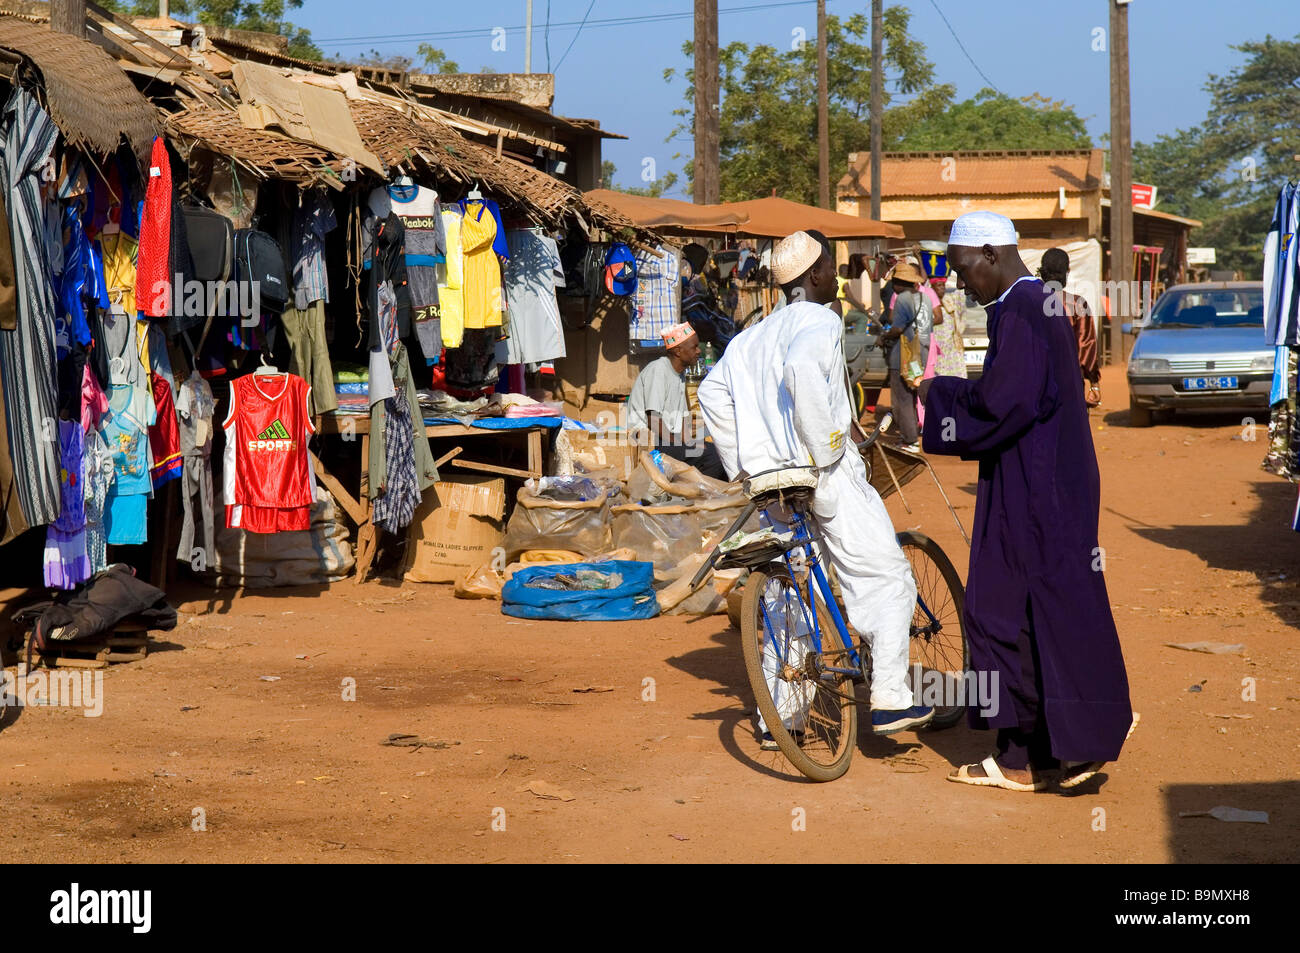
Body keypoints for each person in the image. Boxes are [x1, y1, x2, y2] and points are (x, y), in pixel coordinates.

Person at [920, 211, 1133, 793]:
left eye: (964, 271)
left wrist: (938, 394)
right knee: (1044, 609)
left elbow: (1002, 405)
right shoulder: (1034, 303)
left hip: (1036, 488)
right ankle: (1053, 748)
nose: (962, 284)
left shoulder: (1021, 311)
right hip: (1046, 479)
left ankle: (1030, 755)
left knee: (1000, 611)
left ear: (990, 253)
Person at [699, 230, 933, 744]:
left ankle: (780, 719)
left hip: (771, 484)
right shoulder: (819, 319)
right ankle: (891, 698)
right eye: (830, 267)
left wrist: (745, 463)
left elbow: (710, 392)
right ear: (812, 275)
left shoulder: (748, 338)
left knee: (790, 596)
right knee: (885, 577)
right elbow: (803, 370)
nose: (836, 275)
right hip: (821, 473)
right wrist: (828, 446)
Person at [626, 322, 726, 479]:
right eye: (694, 347)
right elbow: (654, 420)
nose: (698, 351)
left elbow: (683, 421)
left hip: (666, 439)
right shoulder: (658, 370)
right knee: (712, 457)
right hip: (648, 441)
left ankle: (699, 491)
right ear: (678, 351)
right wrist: (683, 444)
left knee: (718, 450)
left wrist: (691, 441)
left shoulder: (679, 375)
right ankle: (700, 497)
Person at [1039, 247, 1101, 407]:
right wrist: (1094, 382)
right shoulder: (1076, 304)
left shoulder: (1029, 302)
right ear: (1067, 271)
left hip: (1035, 383)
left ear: (1042, 271)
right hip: (1069, 384)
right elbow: (1086, 346)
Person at [880, 260, 930, 452]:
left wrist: (883, 337)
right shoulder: (924, 298)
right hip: (921, 354)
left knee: (901, 397)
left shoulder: (902, 299)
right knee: (912, 393)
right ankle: (910, 436)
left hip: (903, 355)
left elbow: (897, 329)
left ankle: (910, 440)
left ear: (900, 282)